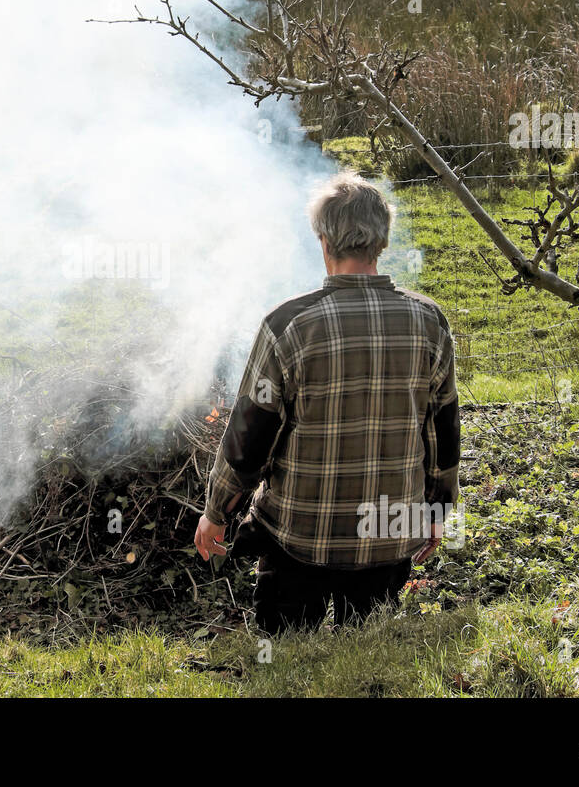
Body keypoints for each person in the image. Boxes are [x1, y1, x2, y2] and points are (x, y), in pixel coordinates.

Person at [194, 172, 461, 634]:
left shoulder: (288, 326)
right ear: (382, 240)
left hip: (301, 541)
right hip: (389, 540)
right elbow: (443, 434)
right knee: (366, 662)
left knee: (290, 662)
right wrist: (436, 513)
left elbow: (249, 440)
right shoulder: (430, 321)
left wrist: (216, 514)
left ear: (323, 240)